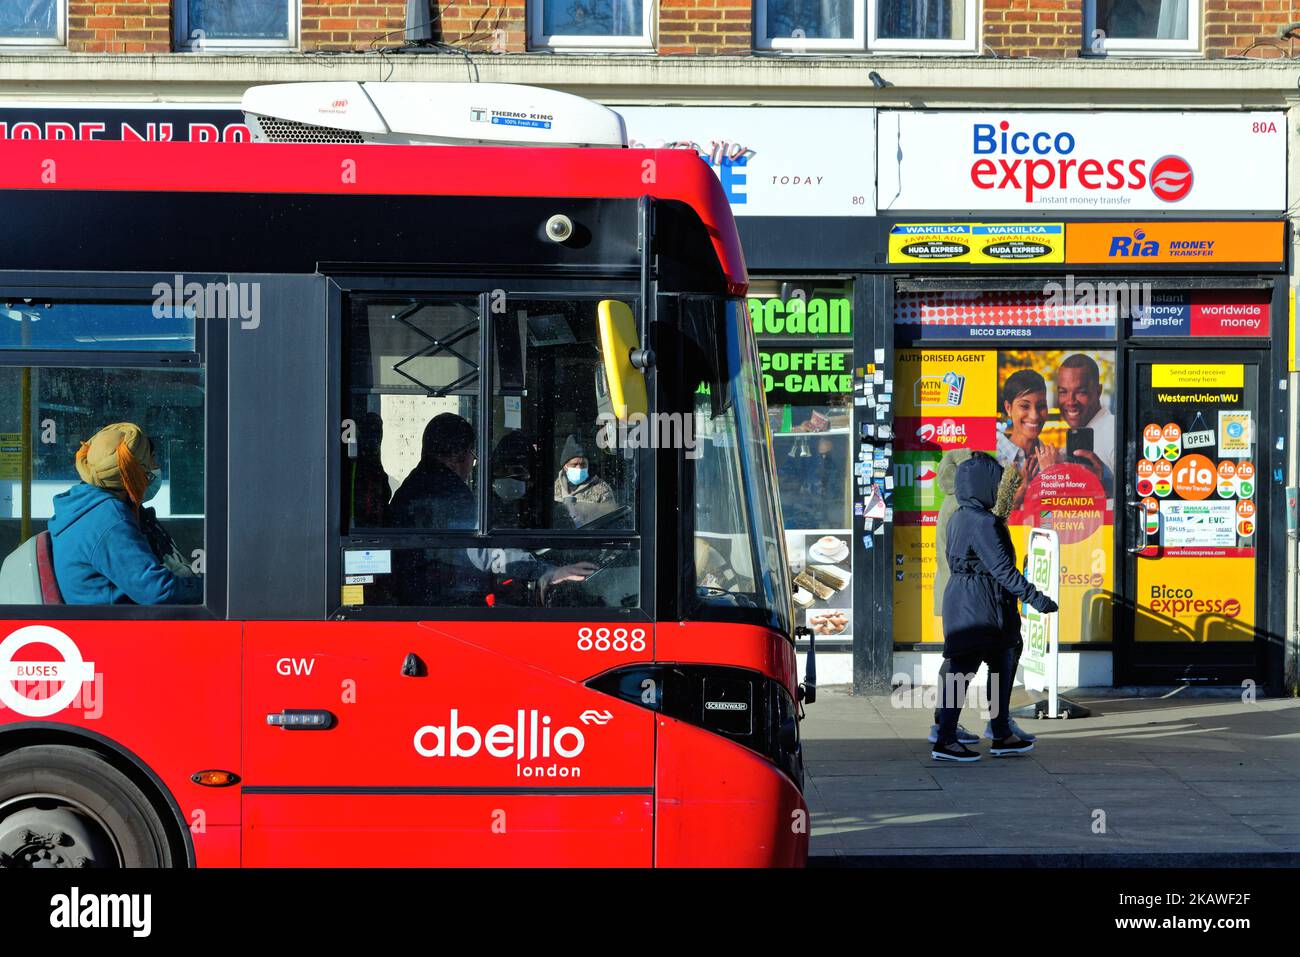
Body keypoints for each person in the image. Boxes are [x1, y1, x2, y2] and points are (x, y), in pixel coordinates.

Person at [390, 414, 595, 605]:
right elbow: (481, 549)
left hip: (416, 594)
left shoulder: (417, 484)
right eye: (472, 454)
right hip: (438, 602)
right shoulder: (448, 491)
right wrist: (547, 572)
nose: (472, 463)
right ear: (457, 456)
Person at [932, 453, 1057, 762]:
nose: (1002, 488)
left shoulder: (962, 514)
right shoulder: (983, 522)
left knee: (1002, 659)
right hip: (979, 604)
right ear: (985, 485)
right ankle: (946, 740)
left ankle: (1000, 732)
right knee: (963, 668)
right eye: (997, 482)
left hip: (975, 600)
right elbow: (1003, 570)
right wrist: (1036, 598)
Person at [48, 422, 202, 605]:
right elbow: (157, 590)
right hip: (113, 627)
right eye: (151, 459)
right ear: (136, 470)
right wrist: (212, 588)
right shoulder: (109, 518)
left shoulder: (85, 502)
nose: (156, 466)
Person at [995, 368, 1059, 512]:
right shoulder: (992, 458)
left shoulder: (1055, 460)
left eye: (1041, 406)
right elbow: (984, 522)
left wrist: (1052, 478)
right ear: (1008, 408)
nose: (1034, 415)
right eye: (1024, 406)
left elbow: (1056, 520)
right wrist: (1019, 495)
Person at [1055, 353, 1115, 496]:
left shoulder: (1114, 431)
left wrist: (1104, 485)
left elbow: (1137, 489)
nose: (1070, 401)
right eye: (1063, 392)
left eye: (1081, 392)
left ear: (1098, 391)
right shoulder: (1075, 439)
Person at [553, 434, 616, 527]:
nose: (579, 468)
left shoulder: (602, 490)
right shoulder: (553, 487)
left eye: (583, 464)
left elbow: (610, 520)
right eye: (574, 465)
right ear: (565, 466)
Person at [345, 411, 391, 528]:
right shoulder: (356, 465)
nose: (374, 440)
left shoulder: (374, 467)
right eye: (371, 434)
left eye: (377, 434)